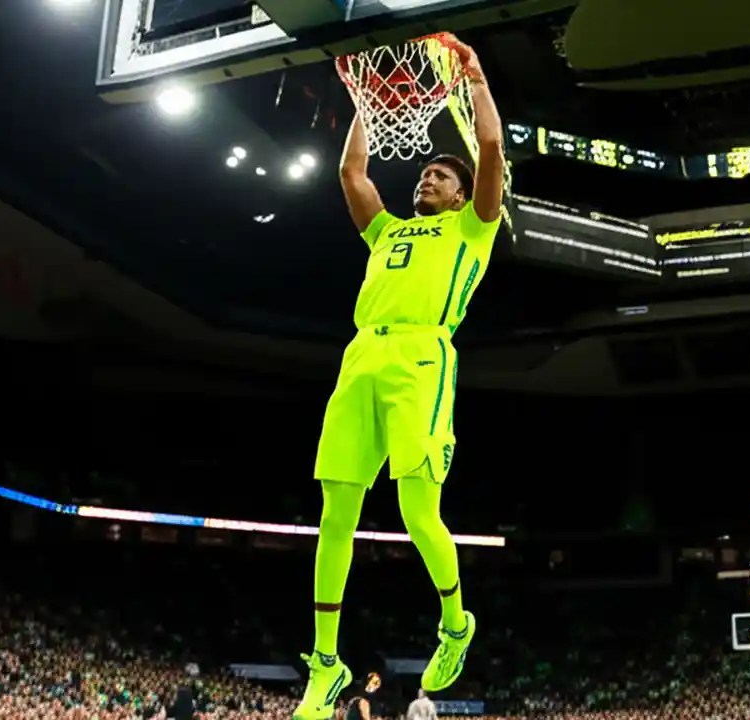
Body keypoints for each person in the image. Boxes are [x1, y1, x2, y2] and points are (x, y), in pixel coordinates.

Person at [292, 33, 506, 720]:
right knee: (336, 513)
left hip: (422, 358)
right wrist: (368, 100)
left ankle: (455, 624)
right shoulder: (386, 232)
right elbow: (352, 176)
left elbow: (493, 152)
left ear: (462, 193)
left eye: (440, 177)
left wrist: (473, 81)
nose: (427, 180)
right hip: (361, 358)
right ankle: (326, 663)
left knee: (418, 512)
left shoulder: (473, 228)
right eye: (425, 176)